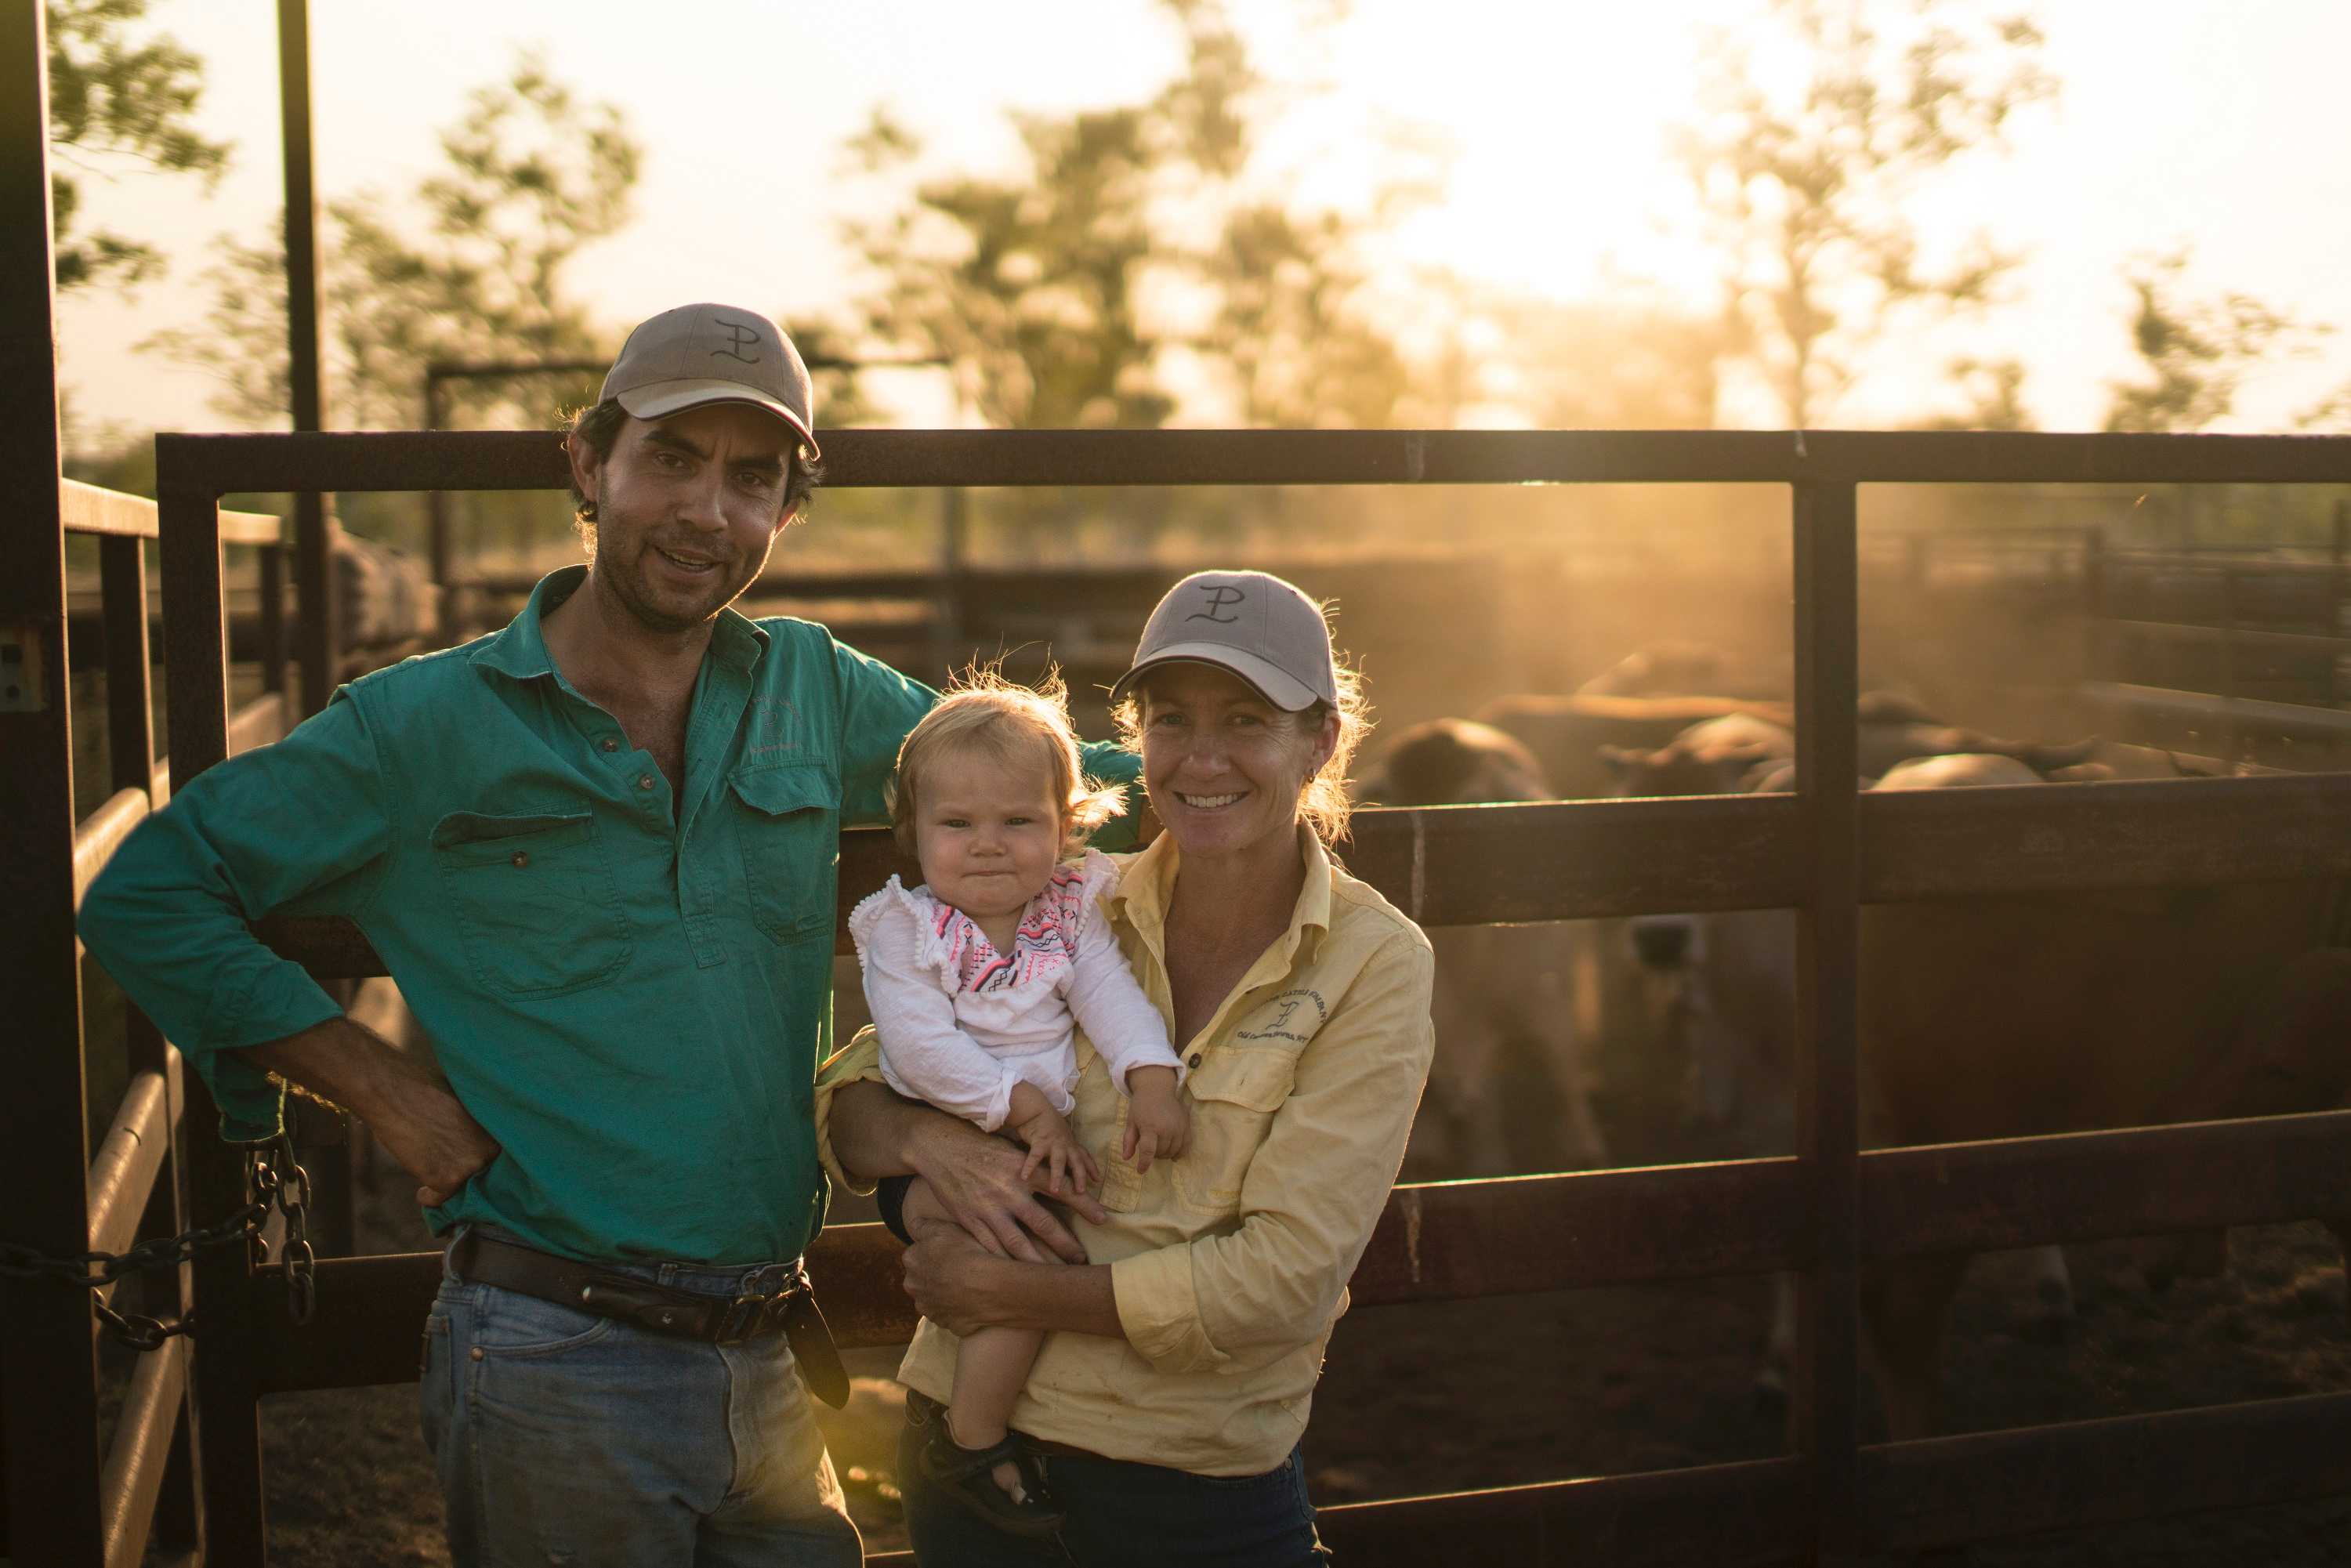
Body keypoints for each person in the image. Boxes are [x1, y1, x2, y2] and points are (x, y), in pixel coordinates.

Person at [76, 301, 1139, 1567]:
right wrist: (386, 1094)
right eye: (671, 459)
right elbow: (147, 891)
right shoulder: (421, 727)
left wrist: (1234, 766)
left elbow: (1058, 782)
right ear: (588, 464)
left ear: (786, 511)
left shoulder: (813, 689)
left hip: (771, 1353)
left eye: (753, 479)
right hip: (554, 1355)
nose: (707, 511)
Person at [819, 570, 1439, 1567]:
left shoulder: (1372, 963)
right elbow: (855, 1092)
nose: (1201, 758)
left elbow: (1283, 1281)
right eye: (1170, 719)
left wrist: (1010, 1292)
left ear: (1321, 740)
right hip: (967, 1452)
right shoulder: (1067, 895)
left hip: (1192, 1479)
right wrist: (935, 1149)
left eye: (1247, 721)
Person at [848, 672, 1192, 1536]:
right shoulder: (906, 930)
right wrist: (1027, 1110)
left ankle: (978, 1427)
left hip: (1032, 1141)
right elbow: (920, 1051)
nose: (989, 846)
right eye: (957, 825)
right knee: (1024, 1260)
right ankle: (972, 1439)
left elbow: (1109, 997)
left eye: (1019, 822)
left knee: (1035, 1259)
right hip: (945, 1141)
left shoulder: (1067, 913)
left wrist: (1151, 1074)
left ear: (1065, 826)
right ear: (913, 832)